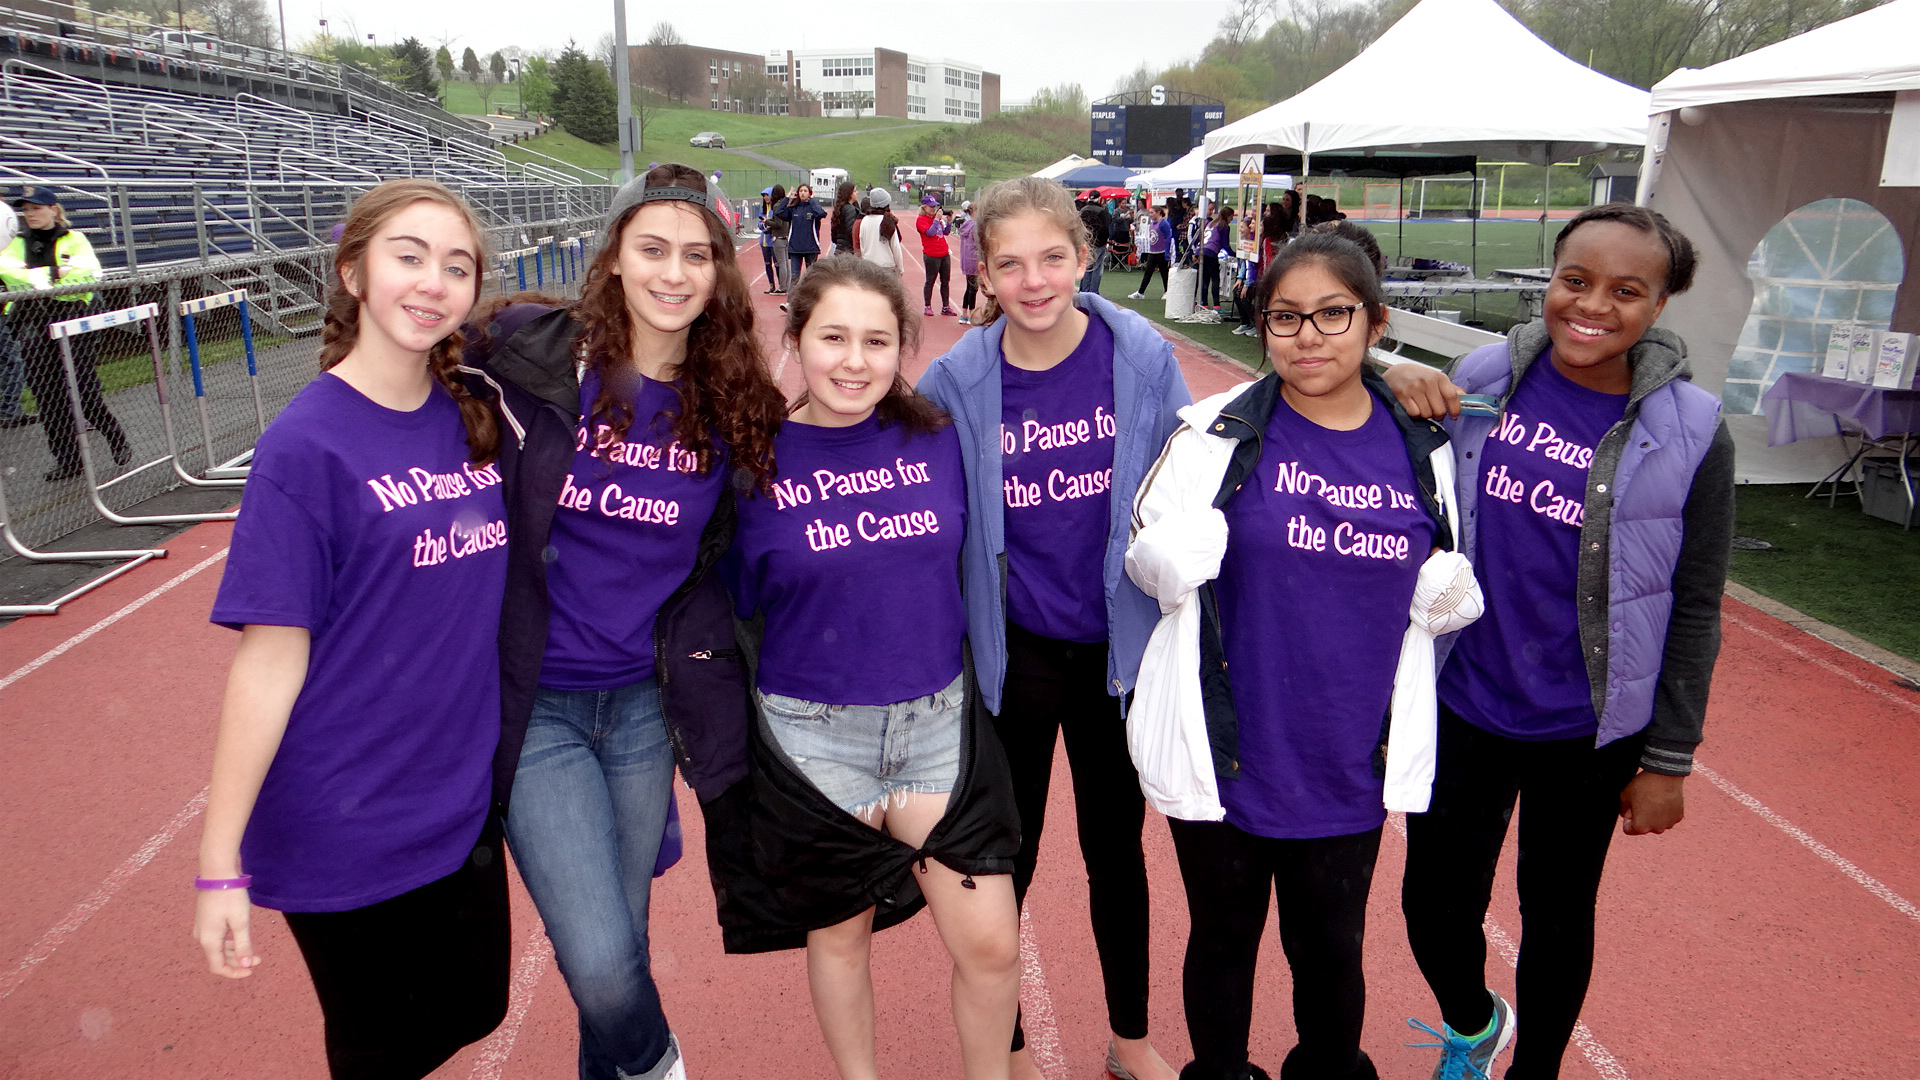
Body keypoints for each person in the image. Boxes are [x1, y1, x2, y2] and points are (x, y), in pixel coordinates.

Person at [1386, 203, 1734, 1080]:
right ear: (1550, 280)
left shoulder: (1694, 431)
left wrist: (1670, 756)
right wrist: (1398, 391)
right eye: (1575, 281)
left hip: (1587, 725)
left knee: (1557, 914)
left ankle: (1534, 1071)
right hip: (1466, 695)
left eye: (1627, 290)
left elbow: (1695, 604)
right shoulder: (1484, 373)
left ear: (1660, 306)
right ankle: (1473, 1020)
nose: (1592, 305)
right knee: (1432, 904)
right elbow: (1416, 502)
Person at [460, 164, 786, 1080]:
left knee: (623, 944)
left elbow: (760, 541)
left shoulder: (729, 400)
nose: (673, 273)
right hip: (537, 710)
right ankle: (661, 1066)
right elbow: (415, 371)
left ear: (721, 270)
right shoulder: (529, 354)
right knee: (602, 966)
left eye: (695, 254)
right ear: (613, 257)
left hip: (646, 707)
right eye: (652, 249)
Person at [1126, 231, 1466, 1080]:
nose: (1307, 336)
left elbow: (1444, 572)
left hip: (1351, 751)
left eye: (1332, 315)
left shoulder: (1423, 448)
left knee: (1330, 953)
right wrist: (1182, 549)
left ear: (1374, 323)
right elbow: (1145, 561)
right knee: (1223, 939)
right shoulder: (1210, 434)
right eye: (1284, 317)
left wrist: (1450, 594)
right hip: (1232, 746)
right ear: (1262, 324)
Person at [193, 178, 509, 1080]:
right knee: (383, 1053)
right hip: (343, 810)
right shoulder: (307, 445)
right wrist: (220, 863)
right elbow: (268, 659)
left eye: (456, 267)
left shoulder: (470, 415)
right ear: (353, 273)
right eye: (408, 256)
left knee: (475, 1003)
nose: (432, 282)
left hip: (454, 799)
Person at [920, 176, 1192, 1080]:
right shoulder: (959, 379)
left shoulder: (1141, 357)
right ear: (984, 274)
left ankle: (1130, 1039)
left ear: (1084, 256)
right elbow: (891, 461)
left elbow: (1199, 469)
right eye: (1009, 264)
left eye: (1051, 258)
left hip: (1118, 651)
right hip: (1016, 651)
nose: (1033, 281)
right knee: (1009, 854)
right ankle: (1004, 1042)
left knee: (1118, 850)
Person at [727, 253, 1022, 1080]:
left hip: (935, 727)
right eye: (832, 337)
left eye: (877, 340)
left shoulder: (938, 437)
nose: (854, 361)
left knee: (993, 944)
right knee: (841, 936)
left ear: (904, 347)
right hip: (813, 737)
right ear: (796, 337)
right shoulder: (753, 462)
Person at [1, 186, 131, 480]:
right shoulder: (18, 243)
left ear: (53, 210)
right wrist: (55, 273)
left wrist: (37, 277)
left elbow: (88, 273)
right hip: (32, 321)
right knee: (47, 395)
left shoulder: (76, 239)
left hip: (73, 318)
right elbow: (8, 272)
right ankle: (68, 459)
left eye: (37, 208)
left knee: (83, 389)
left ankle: (115, 436)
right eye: (26, 209)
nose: (31, 214)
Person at [775, 183, 829, 288]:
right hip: (795, 247)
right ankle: (790, 302)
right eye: (800, 191)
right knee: (794, 276)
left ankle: (810, 301)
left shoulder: (813, 208)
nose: (803, 193)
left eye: (805, 191)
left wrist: (812, 200)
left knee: (811, 276)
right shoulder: (794, 208)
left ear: (809, 193)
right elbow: (779, 212)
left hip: (811, 247)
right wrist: (787, 198)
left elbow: (822, 213)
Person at [917, 194, 956, 316]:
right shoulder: (921, 220)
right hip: (931, 254)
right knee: (930, 281)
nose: (933, 209)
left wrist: (949, 222)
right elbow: (930, 232)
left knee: (945, 281)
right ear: (924, 207)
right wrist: (935, 220)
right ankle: (927, 306)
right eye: (931, 207)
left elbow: (945, 232)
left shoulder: (937, 219)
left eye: (935, 206)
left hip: (944, 252)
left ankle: (945, 306)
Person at [853, 187, 906, 274]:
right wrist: (900, 268)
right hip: (886, 266)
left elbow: (862, 243)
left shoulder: (864, 220)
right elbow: (895, 247)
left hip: (868, 266)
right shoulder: (887, 221)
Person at [1127, 205, 1173, 301]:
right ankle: (1140, 292)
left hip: (1161, 252)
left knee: (1164, 273)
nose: (1150, 215)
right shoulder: (1152, 223)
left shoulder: (1163, 223)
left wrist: (1167, 252)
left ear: (1158, 212)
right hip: (1153, 252)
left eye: (1152, 212)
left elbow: (1168, 237)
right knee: (1148, 272)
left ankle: (1168, 291)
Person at [1200, 206, 1235, 311]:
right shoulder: (1224, 226)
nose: (1232, 219)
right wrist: (1234, 254)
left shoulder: (1211, 223)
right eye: (1232, 216)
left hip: (1201, 250)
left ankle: (1204, 304)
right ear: (1228, 216)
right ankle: (1216, 306)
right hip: (1211, 252)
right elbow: (1225, 245)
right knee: (1215, 279)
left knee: (1205, 279)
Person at [1078, 196, 1111, 295]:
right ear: (1099, 199)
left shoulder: (1083, 210)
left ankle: (1084, 290)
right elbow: (1105, 227)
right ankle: (1093, 291)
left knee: (1087, 266)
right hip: (1099, 242)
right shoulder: (1101, 211)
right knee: (1097, 268)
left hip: (1086, 241)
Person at [955, 198, 979, 325]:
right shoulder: (975, 226)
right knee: (973, 288)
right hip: (974, 260)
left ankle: (964, 314)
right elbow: (978, 244)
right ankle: (972, 314)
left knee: (969, 287)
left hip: (966, 260)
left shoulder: (965, 225)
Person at [765, 184, 791, 294]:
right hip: (785, 236)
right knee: (785, 262)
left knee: (782, 263)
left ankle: (782, 287)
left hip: (779, 237)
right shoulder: (786, 205)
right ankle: (787, 285)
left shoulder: (777, 206)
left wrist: (767, 221)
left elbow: (778, 223)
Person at [759, 188, 785, 294]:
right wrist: (764, 225)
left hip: (773, 240)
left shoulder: (776, 209)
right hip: (764, 241)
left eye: (767, 195)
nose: (766, 197)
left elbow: (777, 223)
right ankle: (771, 285)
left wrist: (768, 224)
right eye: (764, 196)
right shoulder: (763, 209)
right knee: (767, 263)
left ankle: (781, 284)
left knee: (777, 264)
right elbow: (759, 223)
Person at [830, 180, 860, 256]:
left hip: (840, 248)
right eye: (855, 191)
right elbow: (852, 231)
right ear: (849, 193)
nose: (857, 193)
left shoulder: (839, 208)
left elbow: (834, 233)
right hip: (848, 250)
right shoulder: (850, 209)